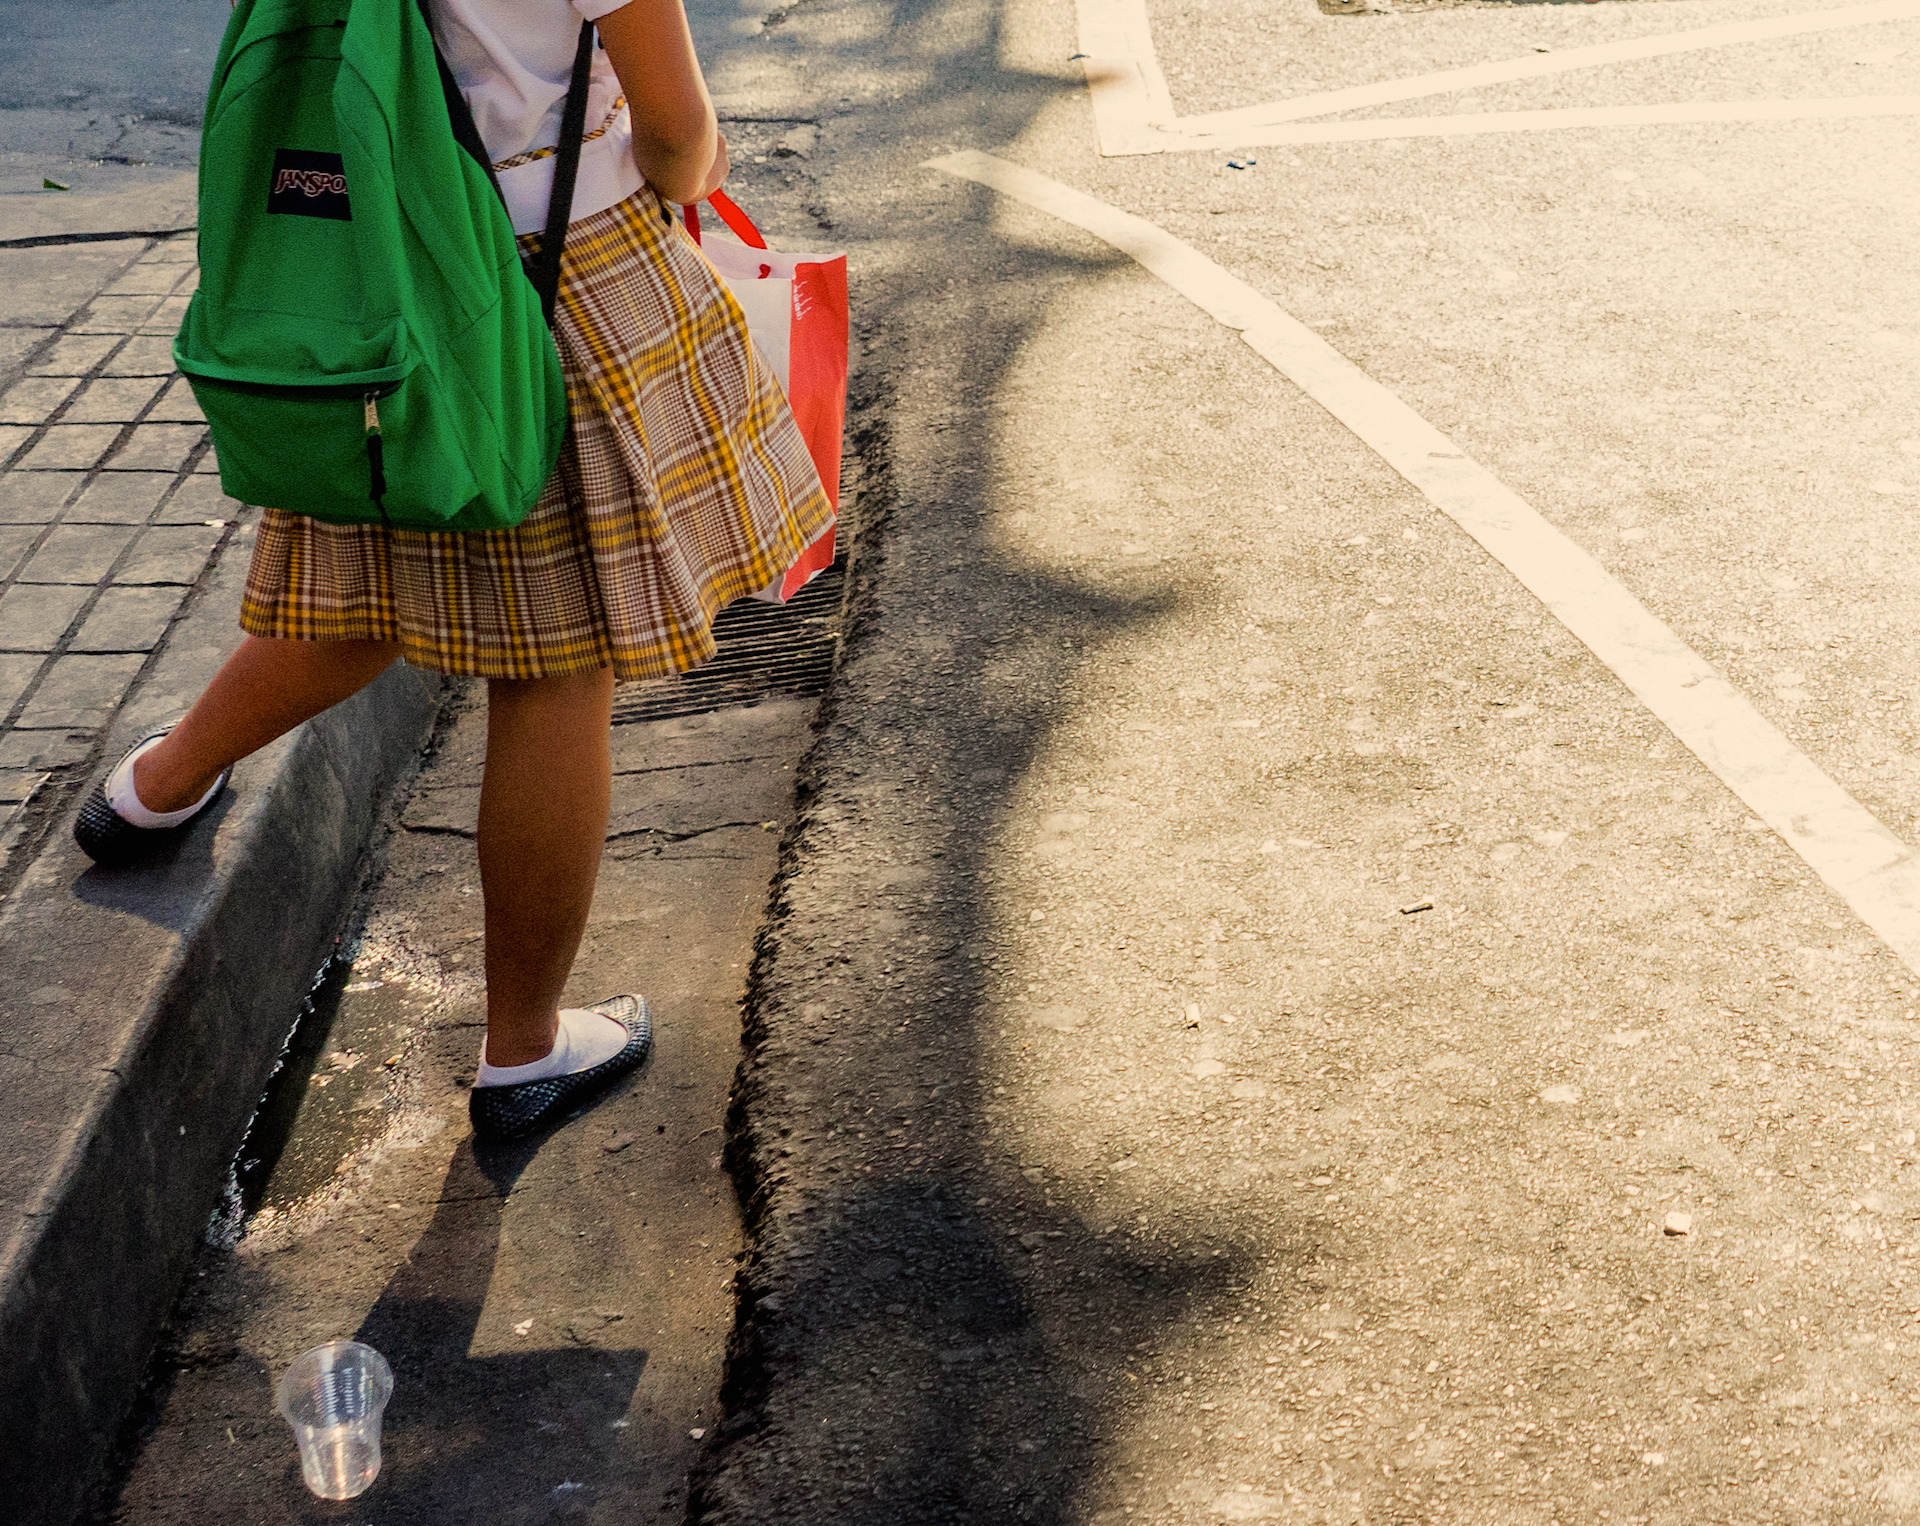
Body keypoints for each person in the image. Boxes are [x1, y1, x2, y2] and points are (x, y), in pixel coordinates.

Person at [71, 0, 832, 1144]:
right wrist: (697, 169)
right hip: (548, 280)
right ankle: (524, 1044)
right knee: (557, 670)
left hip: (374, 275)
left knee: (366, 596)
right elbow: (674, 136)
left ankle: (153, 788)